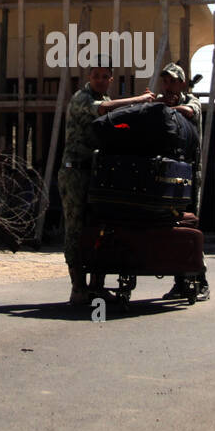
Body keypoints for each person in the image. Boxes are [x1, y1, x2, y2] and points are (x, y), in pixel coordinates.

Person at [59, 59, 154, 306]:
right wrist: (138, 100)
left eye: (105, 76)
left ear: (111, 79)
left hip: (96, 172)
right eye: (96, 75)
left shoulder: (106, 99)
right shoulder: (83, 98)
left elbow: (115, 113)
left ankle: (96, 287)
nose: (100, 79)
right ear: (89, 77)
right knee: (76, 228)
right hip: (75, 173)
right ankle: (78, 288)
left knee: (101, 227)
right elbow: (104, 109)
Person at [154, 62, 208, 300]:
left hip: (189, 177)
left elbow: (189, 112)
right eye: (165, 81)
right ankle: (180, 280)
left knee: (189, 227)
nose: (168, 86)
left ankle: (199, 279)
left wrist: (166, 109)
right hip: (167, 176)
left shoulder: (191, 101)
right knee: (172, 227)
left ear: (182, 83)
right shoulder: (160, 100)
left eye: (173, 81)